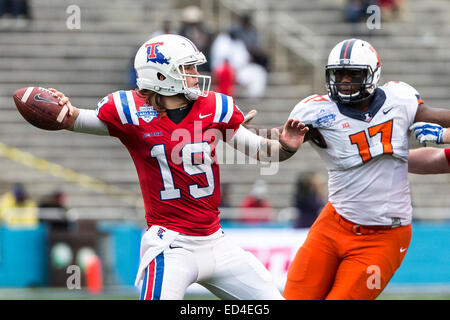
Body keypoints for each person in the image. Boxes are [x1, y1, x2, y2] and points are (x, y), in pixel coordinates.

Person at [40, 34, 308, 300]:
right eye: (187, 68)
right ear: (160, 76)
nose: (195, 74)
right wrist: (63, 111)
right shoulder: (130, 111)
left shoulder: (215, 106)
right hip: (171, 244)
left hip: (216, 241)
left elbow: (263, 151)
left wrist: (285, 146)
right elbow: (75, 119)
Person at [248, 38, 450, 299]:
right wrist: (235, 132)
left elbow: (441, 125)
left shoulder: (400, 100)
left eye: (353, 74)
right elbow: (277, 141)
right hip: (333, 224)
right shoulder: (317, 111)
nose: (344, 82)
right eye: (338, 75)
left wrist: (445, 136)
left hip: (383, 236)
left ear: (372, 73)